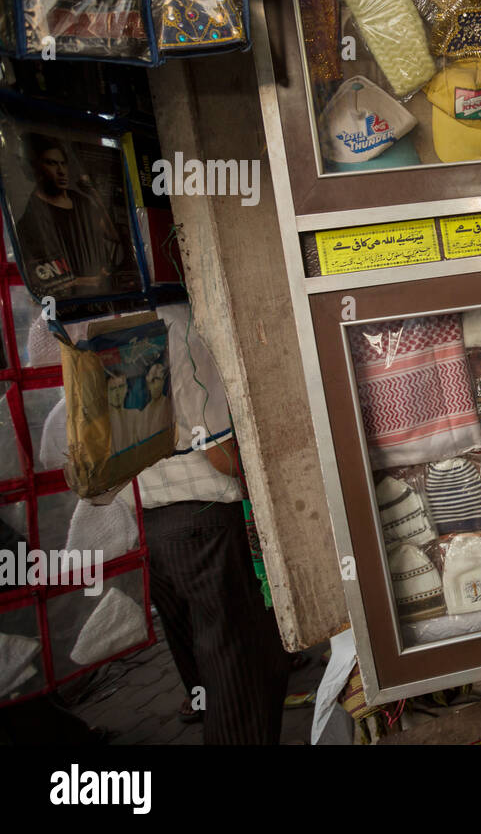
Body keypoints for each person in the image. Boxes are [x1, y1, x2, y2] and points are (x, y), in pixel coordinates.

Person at [135, 302, 290, 744]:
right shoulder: (180, 327)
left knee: (203, 670)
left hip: (152, 526)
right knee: (244, 671)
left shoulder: (100, 329)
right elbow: (222, 456)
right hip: (206, 523)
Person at [14, 134, 127, 298]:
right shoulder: (30, 221)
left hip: (106, 294)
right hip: (77, 302)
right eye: (51, 163)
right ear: (35, 169)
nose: (61, 171)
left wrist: (94, 194)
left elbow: (113, 235)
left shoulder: (81, 201)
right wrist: (89, 281)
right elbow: (43, 281)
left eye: (63, 164)